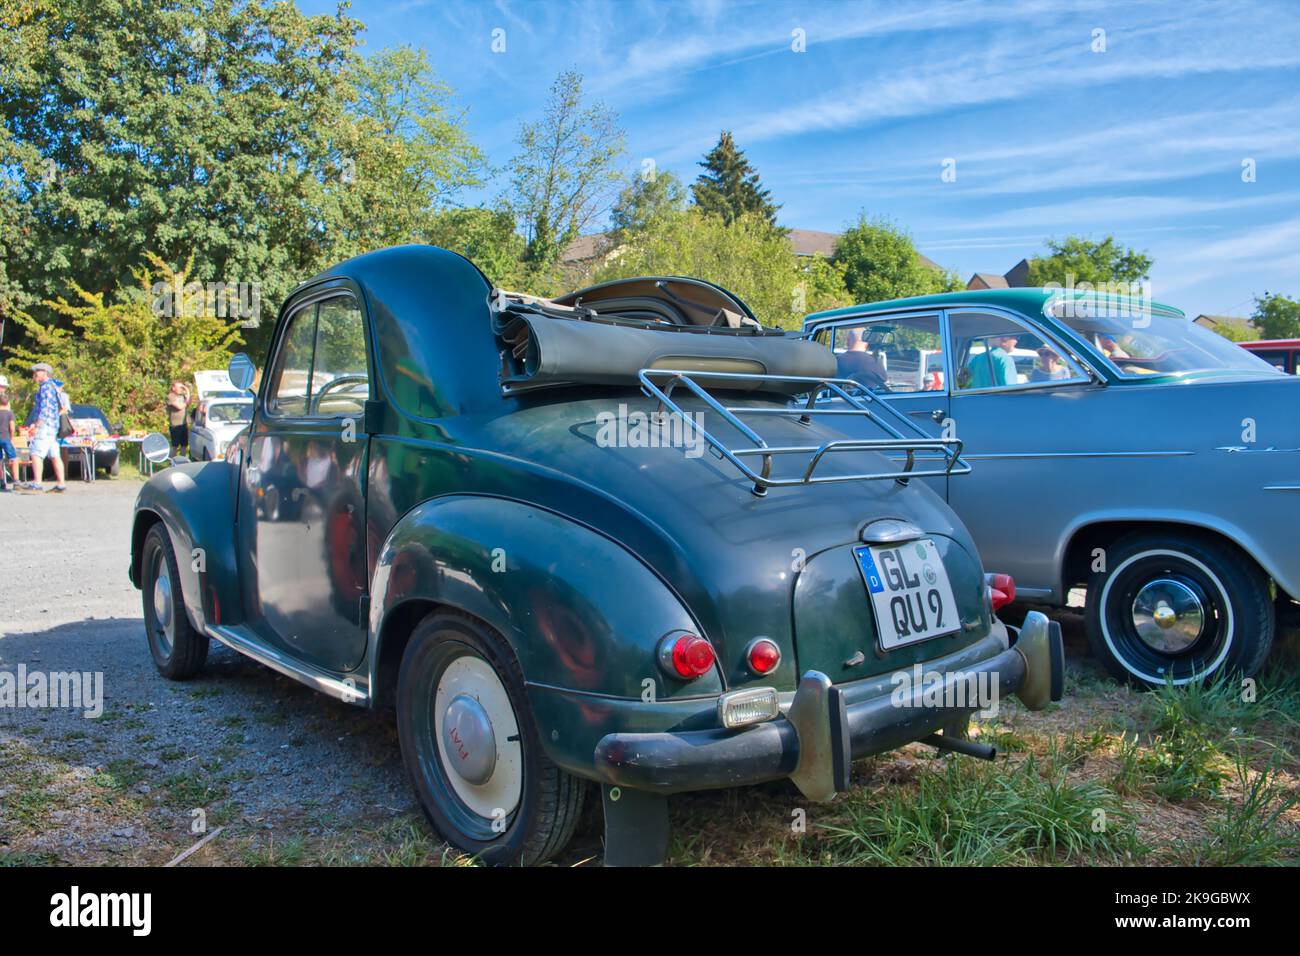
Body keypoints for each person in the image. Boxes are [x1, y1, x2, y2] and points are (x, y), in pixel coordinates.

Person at [23, 362, 67, 492]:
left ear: (44, 373)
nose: (34, 375)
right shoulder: (54, 386)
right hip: (53, 426)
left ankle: (37, 484)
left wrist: (37, 426)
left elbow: (45, 409)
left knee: (36, 453)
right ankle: (61, 484)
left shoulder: (46, 387)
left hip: (45, 426)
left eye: (36, 372)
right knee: (55, 455)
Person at [166, 380, 192, 456]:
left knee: (184, 445)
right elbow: (179, 406)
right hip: (175, 425)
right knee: (175, 446)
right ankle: (172, 461)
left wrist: (187, 391)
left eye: (182, 387)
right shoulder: (170, 396)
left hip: (184, 424)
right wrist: (186, 402)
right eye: (179, 387)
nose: (181, 389)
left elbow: (189, 402)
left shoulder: (183, 396)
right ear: (173, 388)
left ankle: (182, 462)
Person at [0, 389, 17, 491]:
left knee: (0, 460)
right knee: (13, 458)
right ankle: (16, 480)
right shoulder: (9, 413)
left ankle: (1, 481)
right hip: (6, 438)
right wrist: (12, 438)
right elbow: (12, 427)